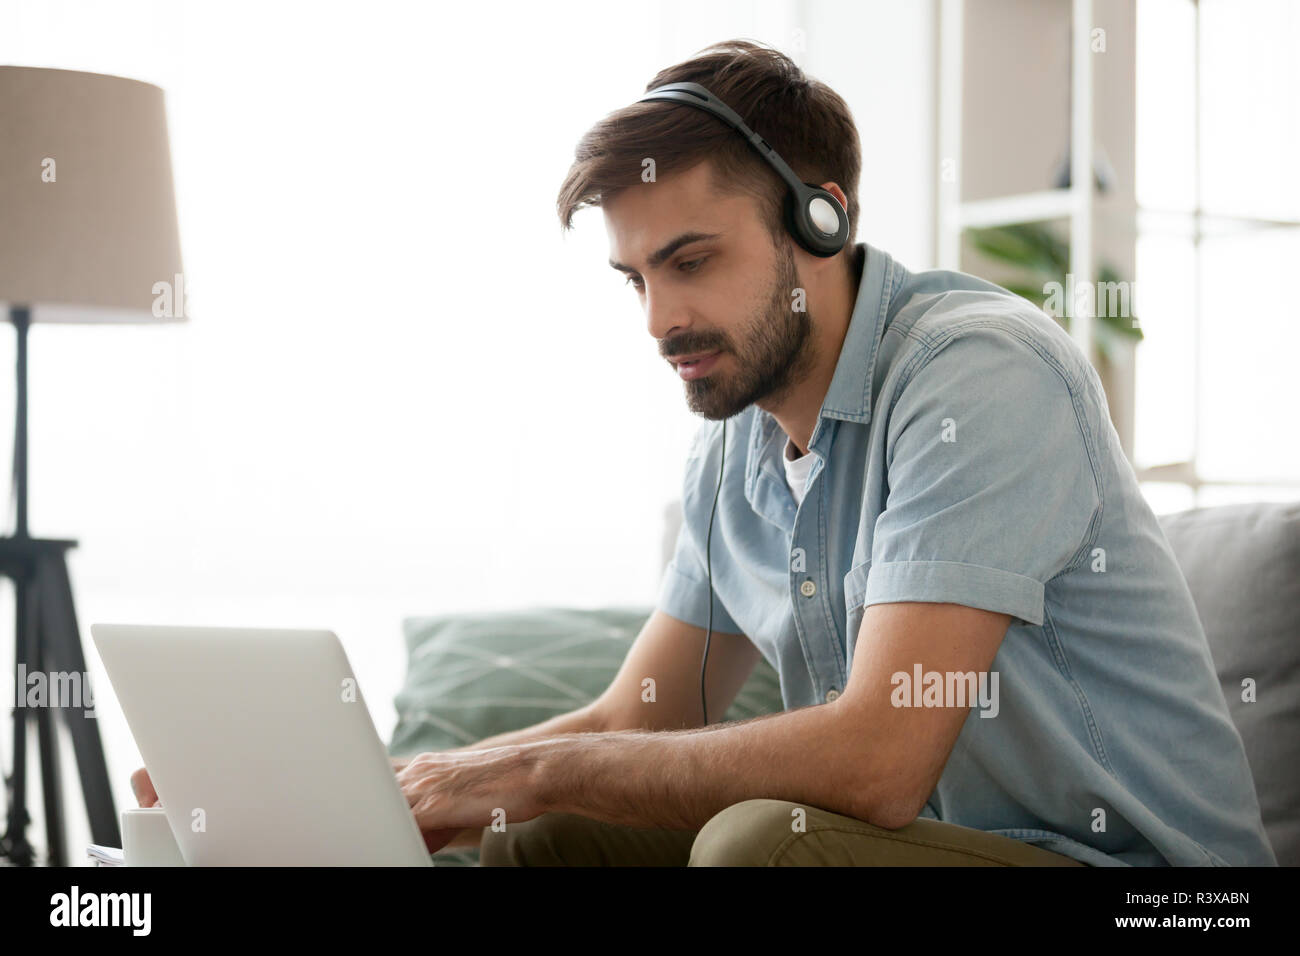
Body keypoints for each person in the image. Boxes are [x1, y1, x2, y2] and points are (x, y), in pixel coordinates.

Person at [133, 39, 1275, 867]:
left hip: (1143, 884)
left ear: (817, 223)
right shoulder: (736, 432)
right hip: (937, 854)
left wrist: (516, 770)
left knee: (755, 847)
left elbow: (877, 760)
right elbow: (638, 716)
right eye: (637, 279)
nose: (658, 319)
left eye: (691, 260)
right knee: (542, 832)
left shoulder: (976, 375)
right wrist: (379, 791)